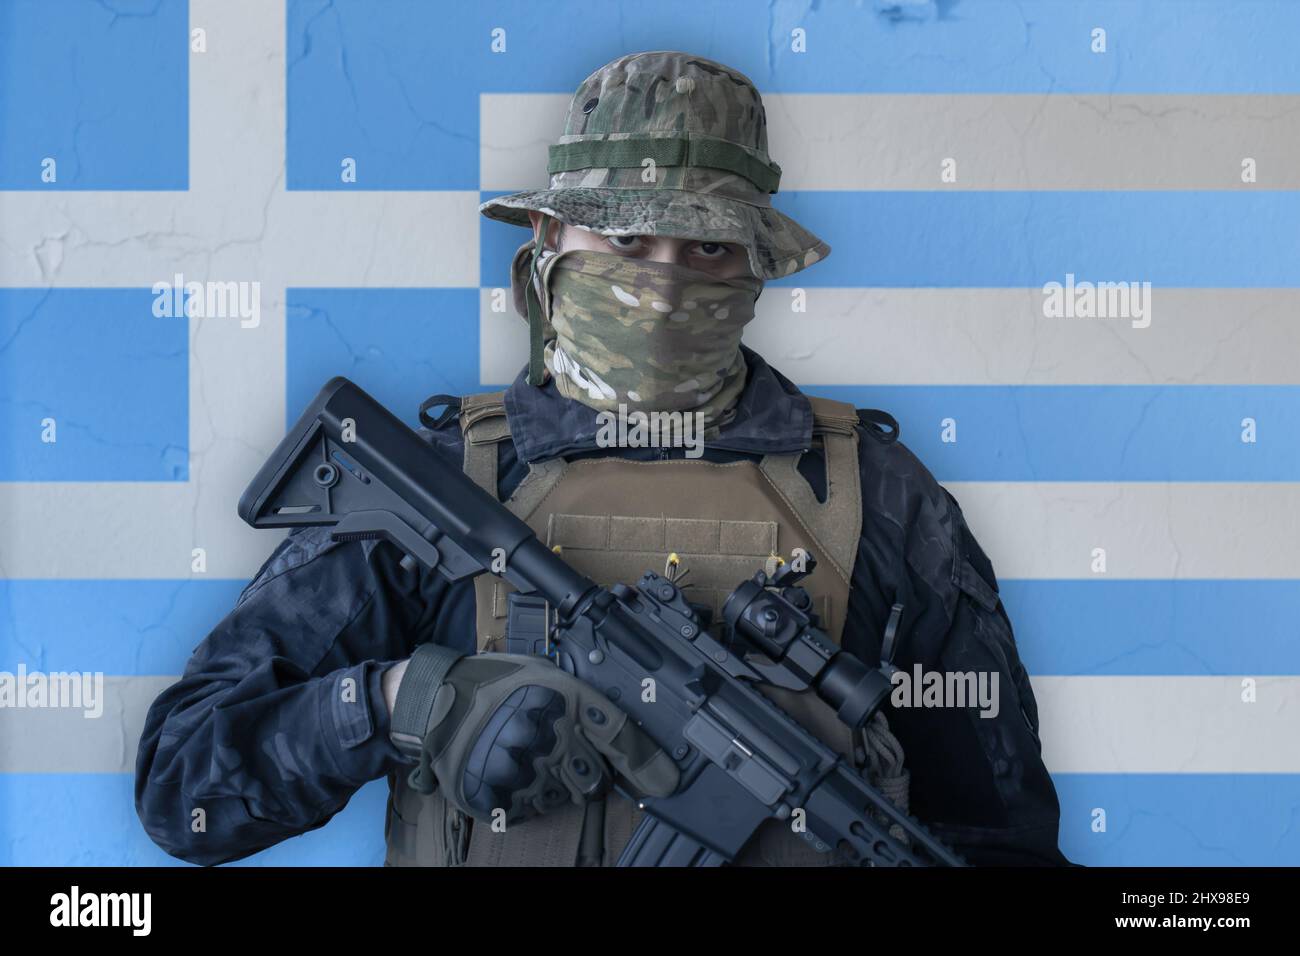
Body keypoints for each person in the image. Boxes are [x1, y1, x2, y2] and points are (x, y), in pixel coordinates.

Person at [136, 51, 1068, 867]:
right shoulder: (448, 481)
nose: (664, 283)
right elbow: (186, 789)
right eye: (625, 239)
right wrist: (401, 702)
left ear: (753, 265)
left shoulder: (878, 497)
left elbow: (998, 834)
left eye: (707, 246)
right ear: (549, 242)